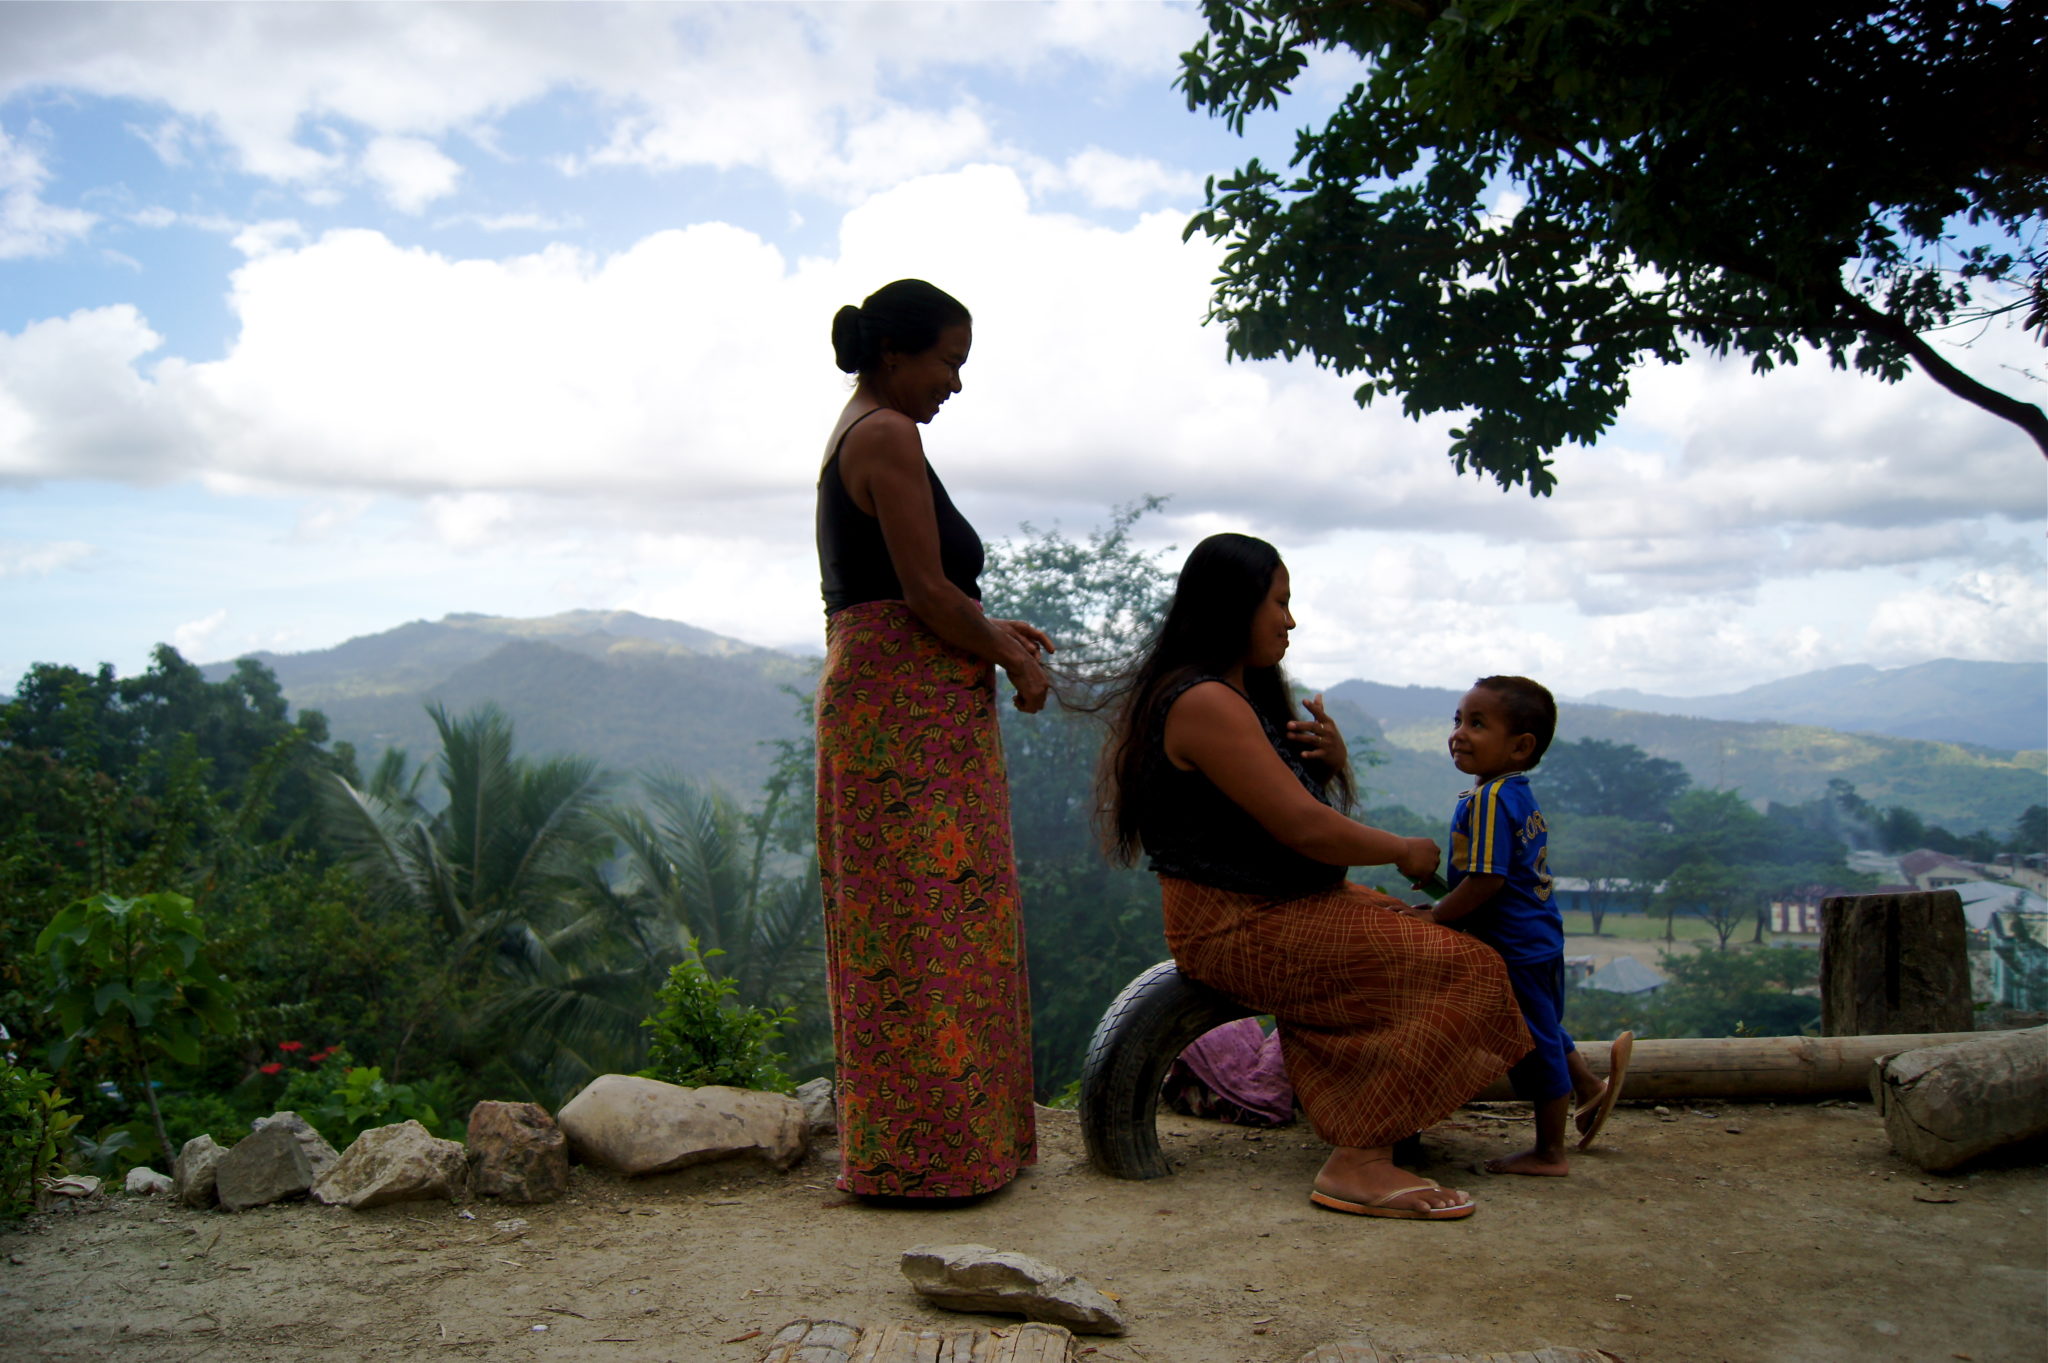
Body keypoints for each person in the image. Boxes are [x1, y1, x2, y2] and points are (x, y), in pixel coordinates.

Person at [1100, 533, 1532, 1220]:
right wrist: (1401, 848)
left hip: (1279, 907)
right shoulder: (1203, 701)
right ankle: (1358, 1160)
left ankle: (1372, 1124)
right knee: (1467, 968)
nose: (1289, 620)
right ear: (1234, 604)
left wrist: (1329, 763)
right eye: (1279, 602)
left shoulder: (1232, 697)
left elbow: (1277, 811)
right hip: (1239, 923)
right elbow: (1303, 828)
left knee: (1418, 928)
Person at [813, 279, 1053, 1200]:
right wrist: (1014, 661)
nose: (954, 381)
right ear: (896, 356)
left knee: (922, 920)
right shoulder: (885, 433)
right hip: (901, 719)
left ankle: (943, 1146)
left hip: (898, 708)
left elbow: (914, 594)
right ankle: (930, 1157)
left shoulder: (861, 426)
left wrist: (996, 634)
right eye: (948, 361)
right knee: (928, 923)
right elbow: (923, 593)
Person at [1400, 676, 1634, 1175]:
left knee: (1532, 1041)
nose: (1460, 733)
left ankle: (1549, 1152)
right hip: (1538, 936)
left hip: (1514, 947)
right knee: (1542, 1025)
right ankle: (1591, 1089)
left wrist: (1439, 915)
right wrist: (1439, 888)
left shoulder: (1486, 800)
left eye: (1478, 723)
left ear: (1520, 746)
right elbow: (1497, 882)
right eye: (1458, 720)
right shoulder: (1516, 794)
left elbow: (1485, 883)